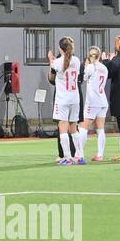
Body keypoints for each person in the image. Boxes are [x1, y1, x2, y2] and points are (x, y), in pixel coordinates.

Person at [48, 37, 84, 165]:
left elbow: (52, 76)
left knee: (63, 128)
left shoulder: (58, 62)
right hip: (75, 98)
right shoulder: (77, 60)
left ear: (60, 48)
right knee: (74, 128)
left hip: (63, 99)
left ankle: (67, 157)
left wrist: (50, 60)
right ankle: (80, 156)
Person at [79, 46, 110, 162]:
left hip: (93, 101)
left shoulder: (91, 67)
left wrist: (86, 66)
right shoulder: (104, 68)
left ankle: (80, 153)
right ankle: (100, 155)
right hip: (103, 100)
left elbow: (84, 78)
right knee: (100, 128)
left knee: (83, 127)